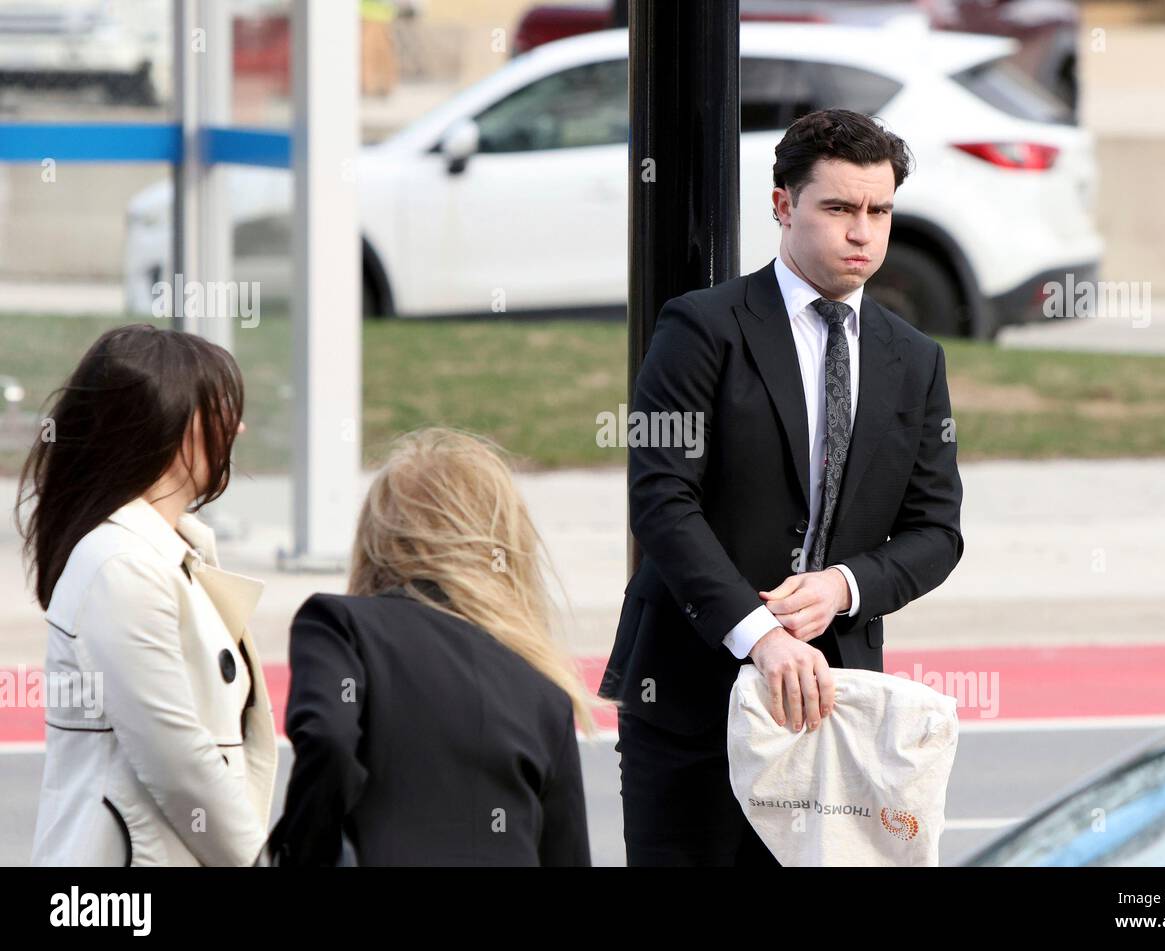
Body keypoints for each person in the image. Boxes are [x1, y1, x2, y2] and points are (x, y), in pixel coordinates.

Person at [599, 109, 965, 865]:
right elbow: (661, 500)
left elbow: (937, 532)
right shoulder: (700, 327)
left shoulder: (916, 358)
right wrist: (757, 633)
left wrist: (845, 585)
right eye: (837, 208)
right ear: (782, 205)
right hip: (691, 700)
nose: (862, 232)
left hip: (831, 708)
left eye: (879, 211)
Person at [268, 427, 595, 866]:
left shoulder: (342, 626)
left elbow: (330, 739)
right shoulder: (540, 684)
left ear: (379, 534)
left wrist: (305, 850)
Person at [19, 323, 277, 866]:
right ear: (175, 426)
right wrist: (258, 860)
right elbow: (177, 757)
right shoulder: (123, 565)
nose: (241, 427)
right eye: (223, 410)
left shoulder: (164, 550)